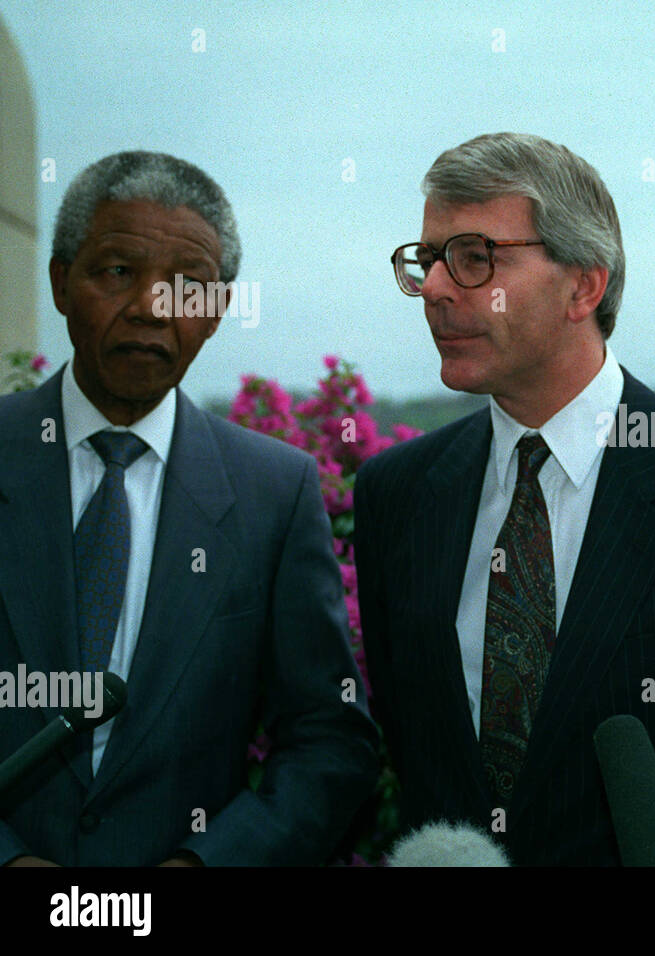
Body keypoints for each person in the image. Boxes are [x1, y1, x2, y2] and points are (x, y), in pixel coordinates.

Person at [355, 132, 655, 865]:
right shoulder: (396, 493)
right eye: (426, 260)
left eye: (473, 258)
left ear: (583, 285)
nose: (434, 287)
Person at [0, 151, 379, 866]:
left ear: (217, 311)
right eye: (117, 272)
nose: (150, 307)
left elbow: (329, 741)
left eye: (187, 287)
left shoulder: (275, 493)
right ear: (60, 281)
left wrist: (208, 864)